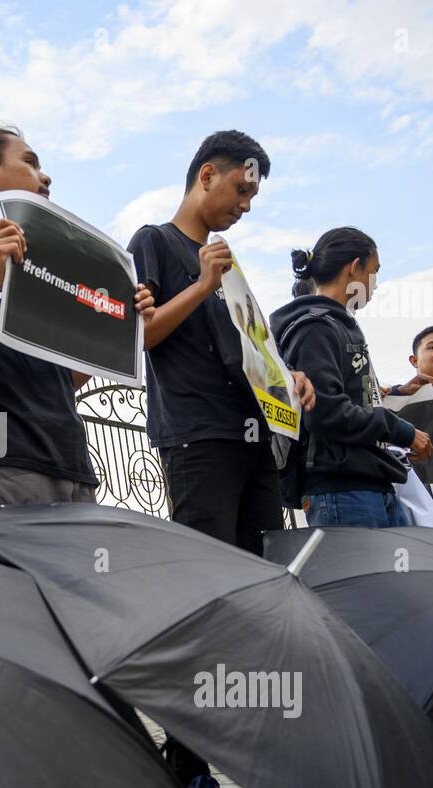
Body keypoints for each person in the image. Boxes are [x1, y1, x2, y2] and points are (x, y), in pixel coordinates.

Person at [0, 125, 155, 544]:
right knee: (12, 608)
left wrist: (121, 329)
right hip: (2, 472)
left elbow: (61, 381)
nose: (46, 176)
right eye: (30, 162)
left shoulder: (47, 267)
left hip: (73, 470)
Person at [127, 130, 315, 559]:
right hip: (198, 437)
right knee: (209, 571)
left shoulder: (229, 270)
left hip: (254, 438)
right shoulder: (153, 241)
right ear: (207, 175)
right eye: (241, 189)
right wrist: (202, 284)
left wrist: (288, 377)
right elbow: (140, 334)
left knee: (265, 570)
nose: (245, 206)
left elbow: (251, 352)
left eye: (252, 196)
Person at [272, 227, 433, 528]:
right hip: (341, 489)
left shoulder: (338, 325)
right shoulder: (316, 328)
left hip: (368, 482)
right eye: (374, 271)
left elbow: (358, 400)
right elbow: (326, 412)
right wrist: (401, 430)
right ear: (354, 267)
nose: (375, 284)